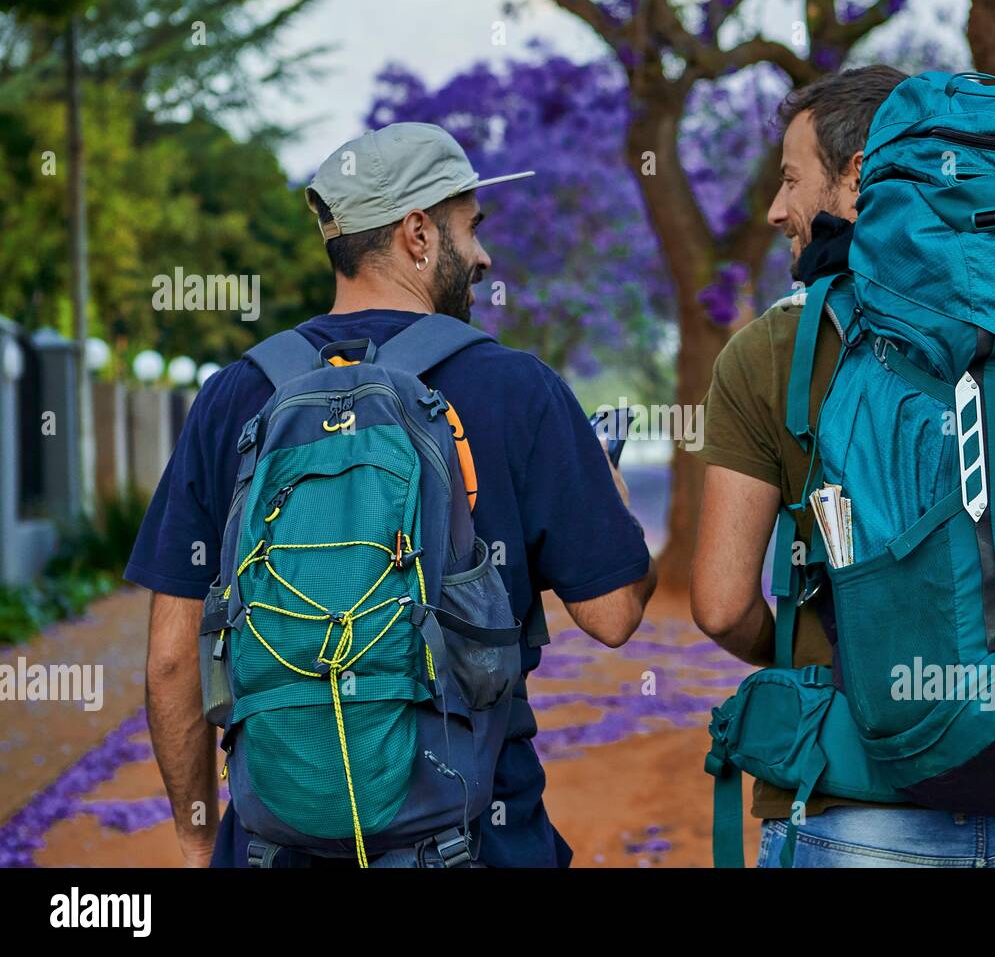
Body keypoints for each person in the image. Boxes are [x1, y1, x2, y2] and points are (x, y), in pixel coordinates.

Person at [127, 122, 656, 868]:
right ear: (418, 234)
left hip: (274, 849)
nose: (483, 256)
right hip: (480, 843)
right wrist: (610, 485)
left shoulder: (233, 397)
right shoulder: (519, 389)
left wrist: (194, 837)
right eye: (471, 230)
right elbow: (614, 613)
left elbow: (175, 660)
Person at [689, 67, 995, 868]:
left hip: (860, 813)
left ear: (855, 176)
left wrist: (831, 663)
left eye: (789, 179)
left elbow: (717, 604)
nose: (776, 210)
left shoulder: (775, 351)